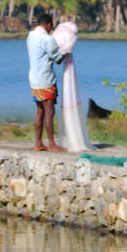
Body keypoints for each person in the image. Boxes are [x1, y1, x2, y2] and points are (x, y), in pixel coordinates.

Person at [52, 19, 94, 153]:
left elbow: (58, 58)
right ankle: (72, 137)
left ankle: (68, 138)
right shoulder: (68, 37)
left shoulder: (63, 36)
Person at [26, 11, 64, 151]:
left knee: (40, 111)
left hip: (34, 79)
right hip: (45, 79)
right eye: (51, 26)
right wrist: (66, 51)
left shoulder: (31, 36)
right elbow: (58, 59)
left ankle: (38, 143)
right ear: (48, 25)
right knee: (49, 111)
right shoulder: (47, 39)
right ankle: (52, 144)